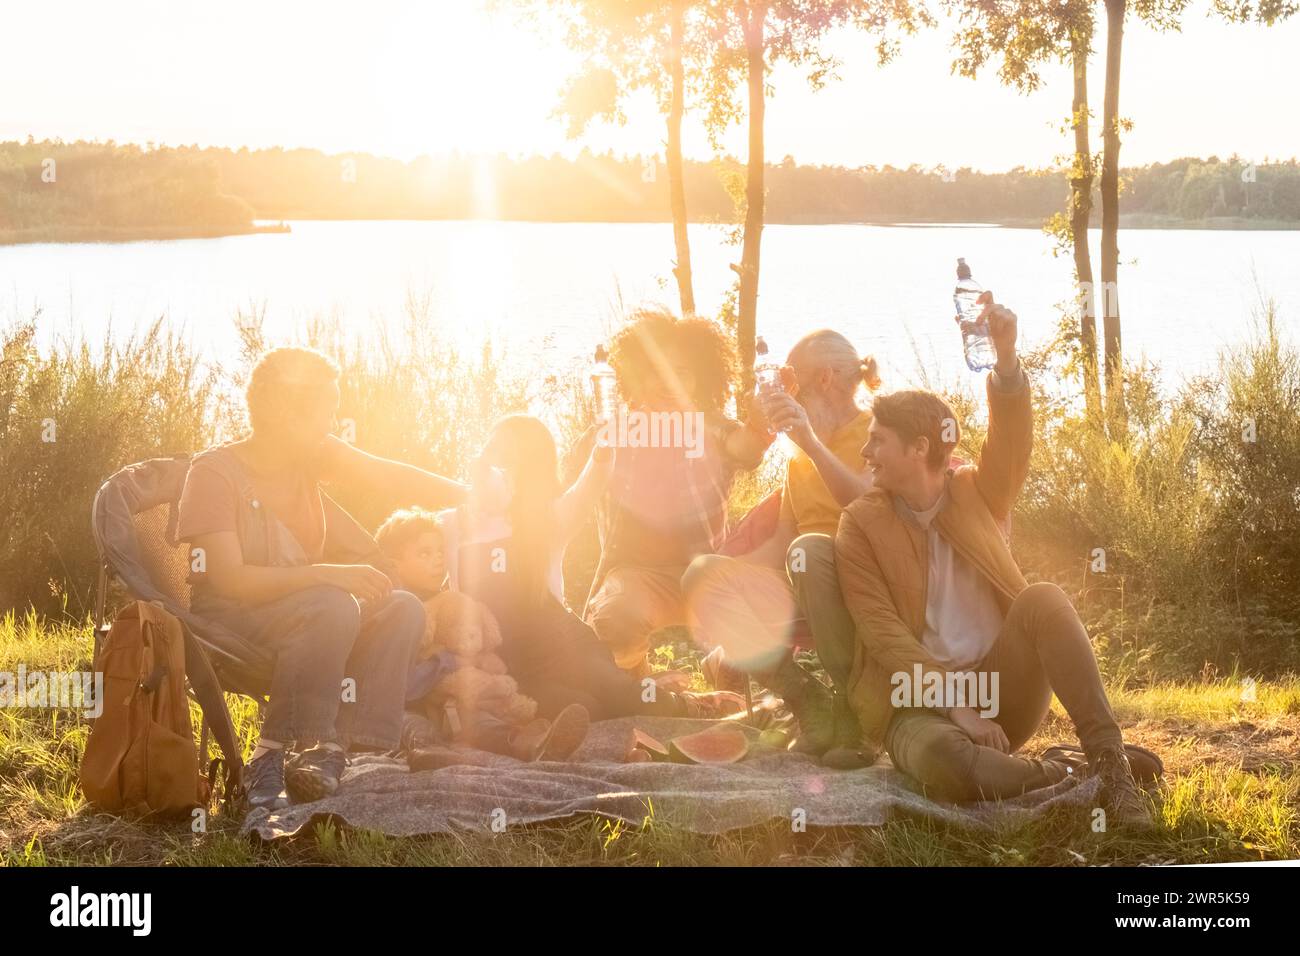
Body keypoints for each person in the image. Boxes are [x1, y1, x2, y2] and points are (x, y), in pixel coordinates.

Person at [833, 294, 1155, 827]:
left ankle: (1111, 767)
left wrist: (1005, 359)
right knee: (947, 764)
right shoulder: (860, 522)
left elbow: (1010, 447)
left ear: (918, 448)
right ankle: (1066, 770)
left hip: (1000, 688)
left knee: (1044, 598)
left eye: (876, 442)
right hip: (916, 702)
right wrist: (956, 707)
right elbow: (883, 633)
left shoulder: (976, 493)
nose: (866, 454)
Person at [178, 347, 466, 811]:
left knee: (401, 606)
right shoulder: (213, 474)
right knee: (333, 603)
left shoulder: (309, 459)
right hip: (232, 618)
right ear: (286, 414)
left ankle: (348, 752)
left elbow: (386, 474)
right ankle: (270, 757)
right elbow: (229, 580)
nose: (332, 427)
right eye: (325, 414)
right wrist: (329, 574)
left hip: (310, 613)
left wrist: (473, 495)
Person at [444, 414, 743, 721]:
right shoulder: (451, 522)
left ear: (530, 473)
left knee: (617, 694)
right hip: (506, 664)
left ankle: (688, 706)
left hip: (564, 646)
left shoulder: (549, 520)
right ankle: (644, 689)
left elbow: (592, 482)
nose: (497, 464)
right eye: (493, 450)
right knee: (585, 708)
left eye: (510, 458)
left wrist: (603, 450)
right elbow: (404, 522)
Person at [682, 330, 881, 765]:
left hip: (866, 586)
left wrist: (808, 439)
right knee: (701, 574)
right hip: (803, 583)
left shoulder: (877, 431)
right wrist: (721, 582)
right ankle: (806, 696)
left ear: (826, 378)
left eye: (792, 380)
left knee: (811, 552)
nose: (784, 391)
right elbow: (782, 542)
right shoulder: (797, 458)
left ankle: (854, 713)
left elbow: (866, 505)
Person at [576, 308, 771, 675]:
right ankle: (642, 684)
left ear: (700, 380)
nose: (668, 382)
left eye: (681, 372)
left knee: (751, 633)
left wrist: (760, 422)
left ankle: (725, 671)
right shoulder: (617, 429)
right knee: (614, 621)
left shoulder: (709, 425)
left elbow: (745, 448)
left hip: (702, 572)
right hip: (637, 574)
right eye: (657, 370)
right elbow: (571, 485)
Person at [374, 506, 590, 762]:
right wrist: (449, 661)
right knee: (419, 722)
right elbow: (399, 685)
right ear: (394, 564)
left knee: (480, 712)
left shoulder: (450, 603)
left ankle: (532, 742)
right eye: (425, 553)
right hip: (408, 707)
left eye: (441, 551)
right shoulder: (395, 610)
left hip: (454, 701)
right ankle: (432, 751)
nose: (439, 560)